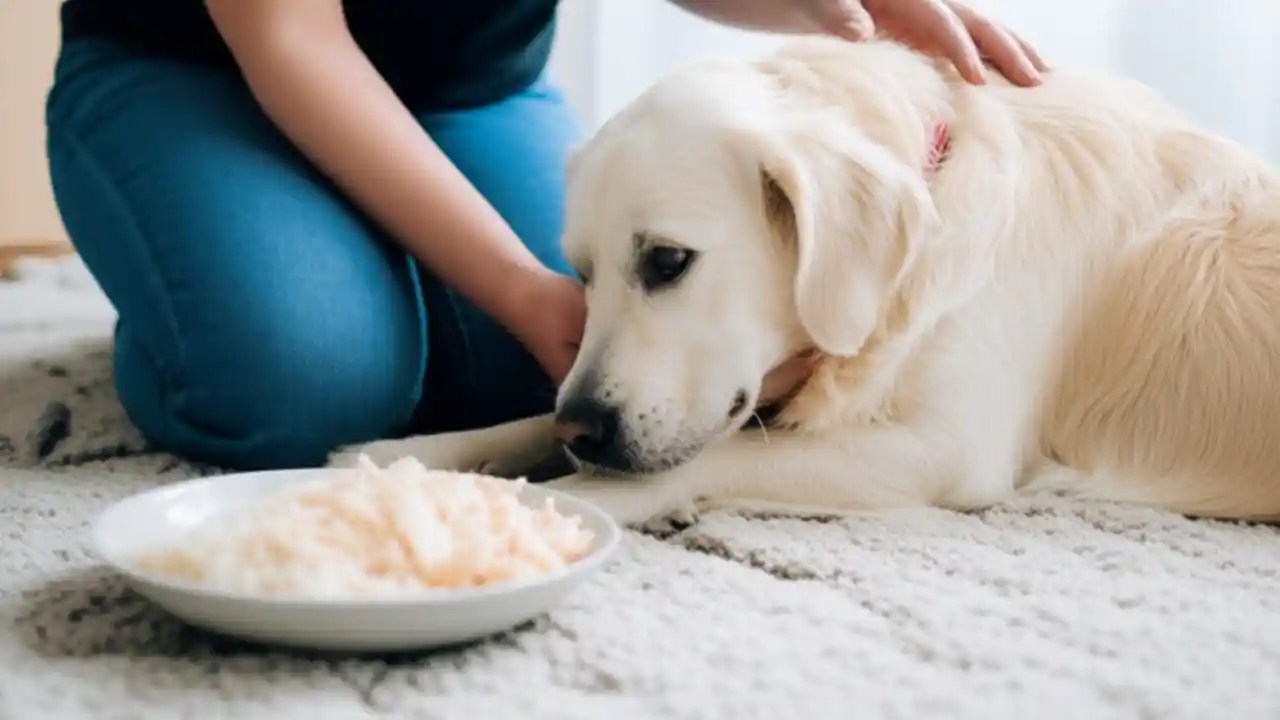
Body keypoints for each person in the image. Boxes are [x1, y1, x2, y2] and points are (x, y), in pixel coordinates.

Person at [45, 0, 1045, 470]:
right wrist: (517, 287)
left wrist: (851, 10)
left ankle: (316, 270)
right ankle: (191, 326)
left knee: (561, 363)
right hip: (189, 75)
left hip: (465, 89)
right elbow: (290, 40)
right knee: (306, 386)